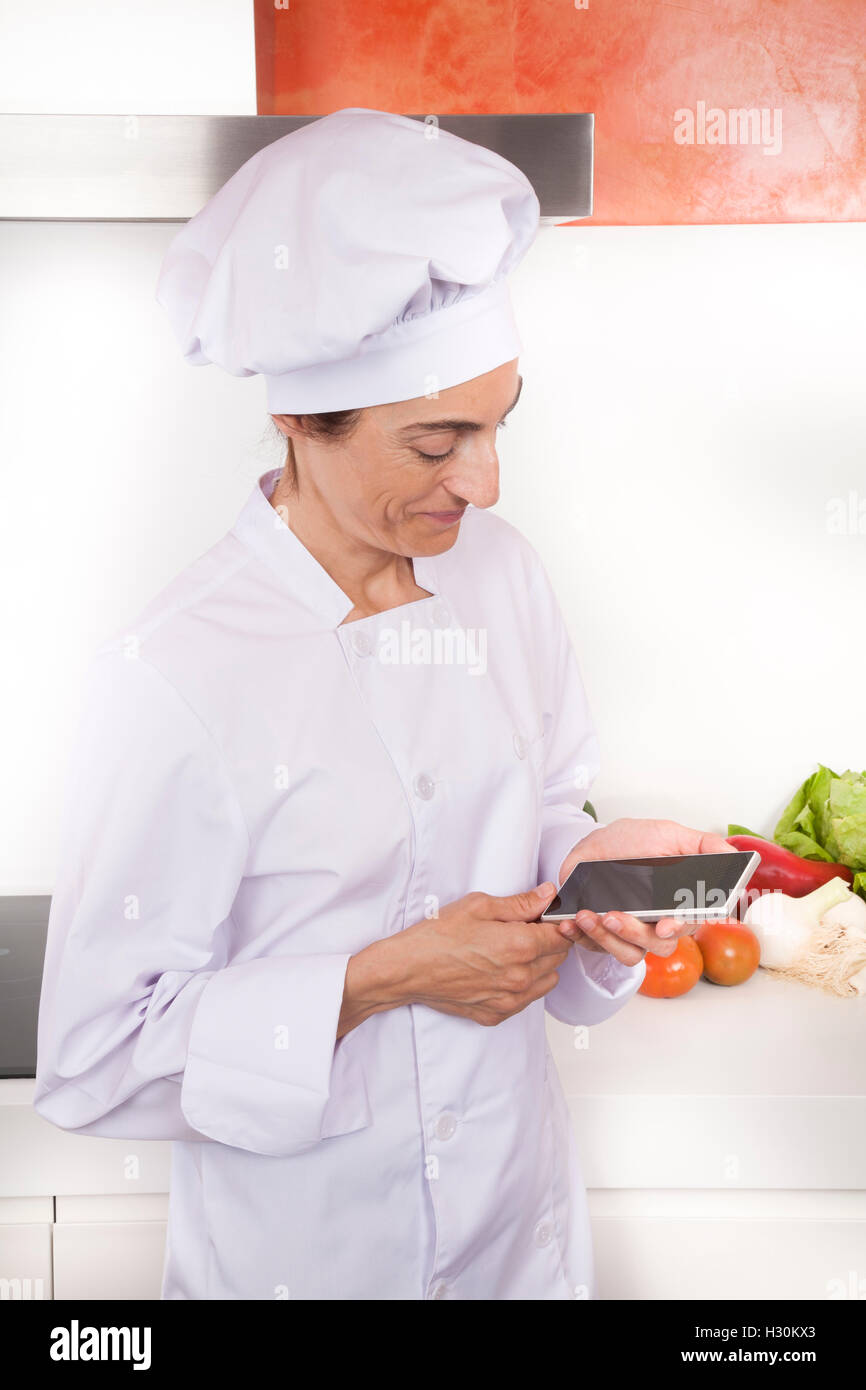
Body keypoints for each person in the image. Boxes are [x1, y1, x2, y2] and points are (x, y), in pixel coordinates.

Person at [34, 107, 732, 1300]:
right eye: (434, 443)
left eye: (500, 422)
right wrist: (383, 977)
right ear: (300, 420)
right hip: (302, 1263)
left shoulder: (501, 574)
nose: (485, 480)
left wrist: (593, 870)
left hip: (517, 1239)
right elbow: (94, 1059)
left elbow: (542, 812)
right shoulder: (174, 672)